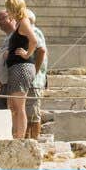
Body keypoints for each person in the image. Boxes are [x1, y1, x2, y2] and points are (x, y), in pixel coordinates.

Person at [2, 0, 38, 139]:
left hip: (21, 68)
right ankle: (16, 135)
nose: (7, 11)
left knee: (19, 106)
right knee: (14, 107)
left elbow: (34, 40)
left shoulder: (24, 21)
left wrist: (27, 53)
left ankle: (20, 137)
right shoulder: (18, 24)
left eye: (8, 9)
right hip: (15, 67)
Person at [25, 8, 48, 139]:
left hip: (34, 81)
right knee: (28, 113)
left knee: (33, 114)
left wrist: (34, 72)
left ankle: (34, 142)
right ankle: (27, 140)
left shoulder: (33, 31)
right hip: (31, 80)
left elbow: (41, 50)